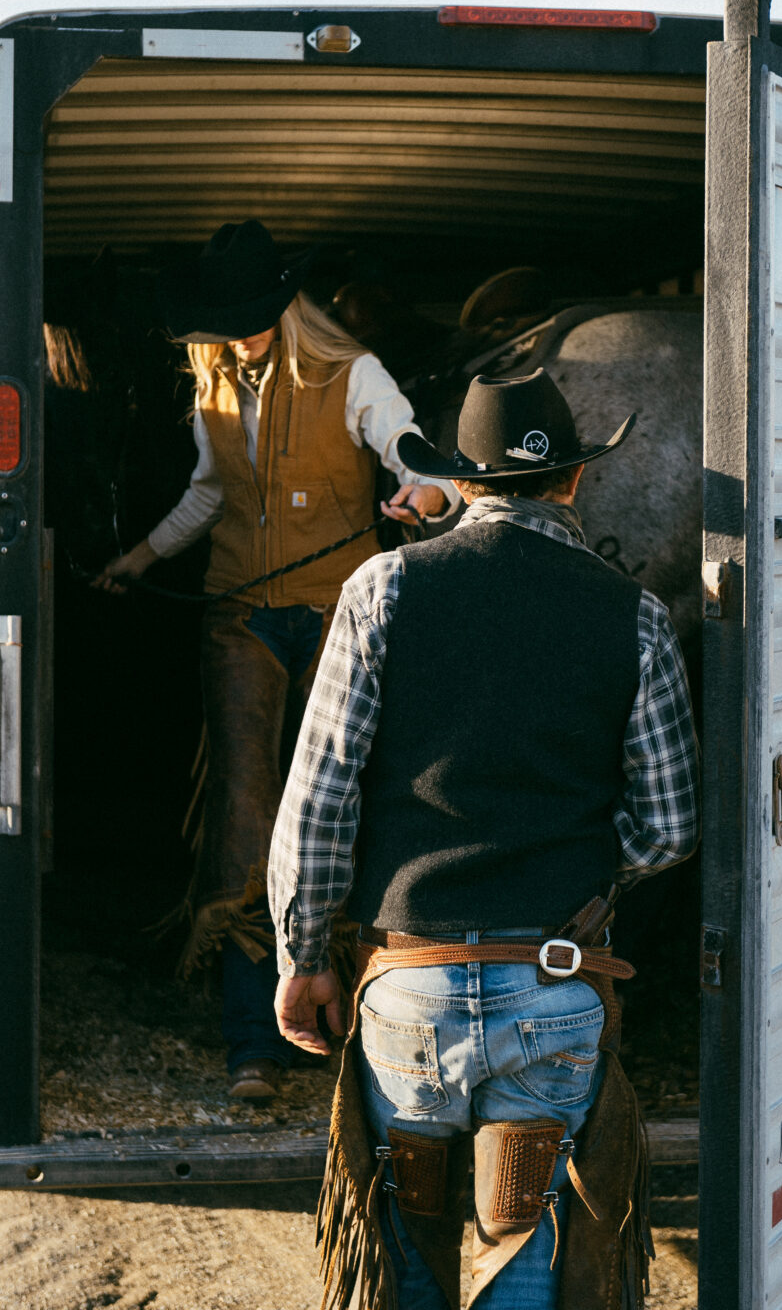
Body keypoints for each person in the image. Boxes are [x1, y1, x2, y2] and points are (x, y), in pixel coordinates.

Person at [268, 368, 699, 1309]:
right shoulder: (632, 614)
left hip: (407, 983)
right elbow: (668, 827)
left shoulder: (381, 590)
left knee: (406, 1257)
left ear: (461, 482)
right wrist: (580, 868)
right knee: (527, 1255)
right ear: (573, 481)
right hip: (553, 981)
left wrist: (303, 954)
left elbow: (321, 799)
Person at [97, 219, 457, 1100]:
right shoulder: (217, 385)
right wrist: (139, 560)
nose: (230, 341)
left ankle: (358, 1024)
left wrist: (425, 485)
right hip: (241, 616)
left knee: (348, 805)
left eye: (244, 323)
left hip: (339, 614)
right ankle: (251, 1041)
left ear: (280, 310)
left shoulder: (352, 374)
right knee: (244, 814)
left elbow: (402, 444)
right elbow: (209, 494)